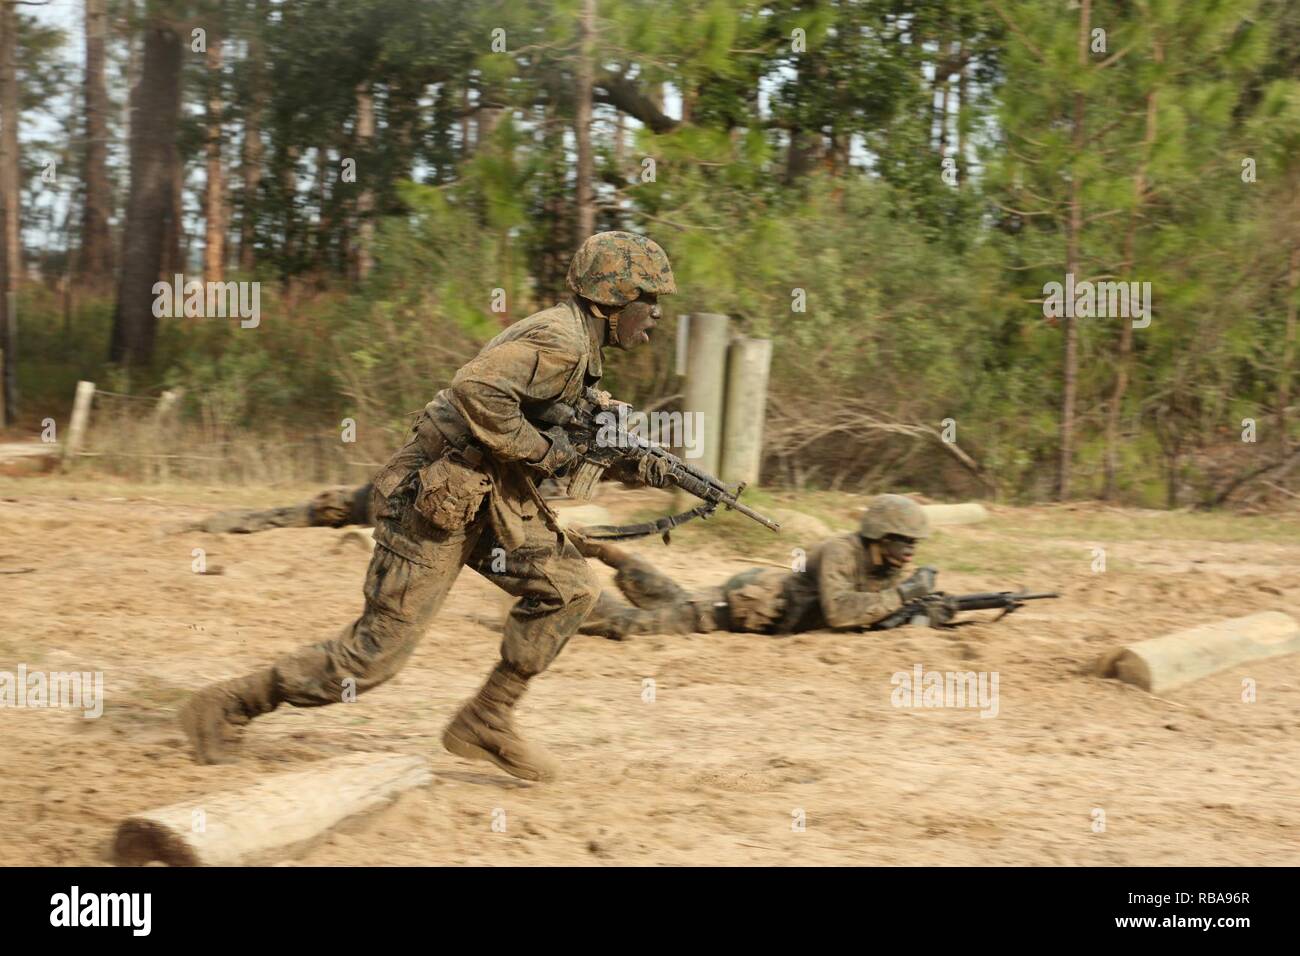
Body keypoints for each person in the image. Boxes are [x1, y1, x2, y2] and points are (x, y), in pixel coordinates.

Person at [179, 231, 678, 783]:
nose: (654, 316)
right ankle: (229, 704)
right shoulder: (561, 341)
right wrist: (543, 451)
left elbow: (555, 424)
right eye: (649, 301)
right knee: (371, 658)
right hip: (433, 501)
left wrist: (631, 462)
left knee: (570, 589)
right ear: (612, 299)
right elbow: (476, 390)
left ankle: (487, 718)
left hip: (489, 500)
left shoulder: (577, 346)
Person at [575, 494, 937, 639]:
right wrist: (905, 594)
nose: (909, 551)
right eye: (902, 540)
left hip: (749, 599)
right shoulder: (841, 551)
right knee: (630, 625)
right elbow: (841, 612)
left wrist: (918, 604)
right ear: (878, 534)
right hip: (738, 610)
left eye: (913, 543)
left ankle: (612, 555)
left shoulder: (884, 566)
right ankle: (570, 597)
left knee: (676, 601)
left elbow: (876, 608)